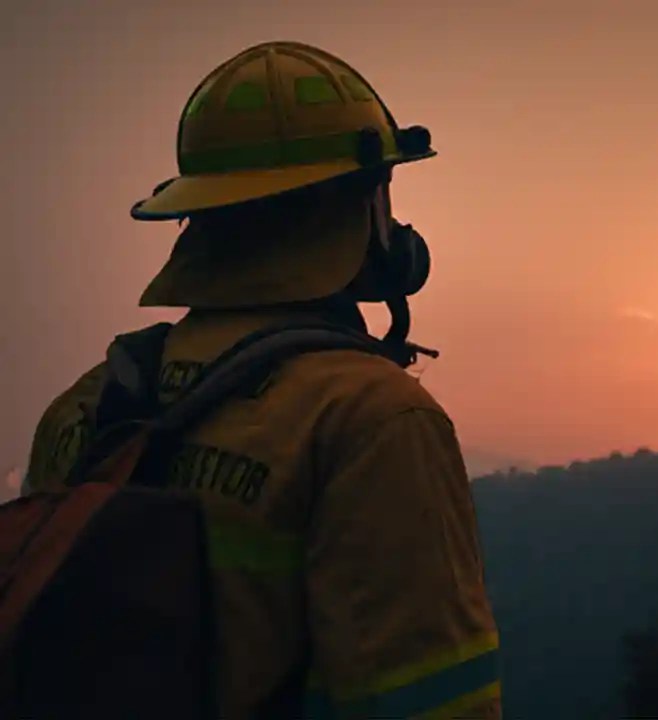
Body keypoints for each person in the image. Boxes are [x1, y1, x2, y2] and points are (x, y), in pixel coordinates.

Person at [22, 41, 500, 719]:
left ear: (200, 215)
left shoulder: (81, 408)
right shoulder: (372, 419)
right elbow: (436, 704)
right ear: (361, 203)